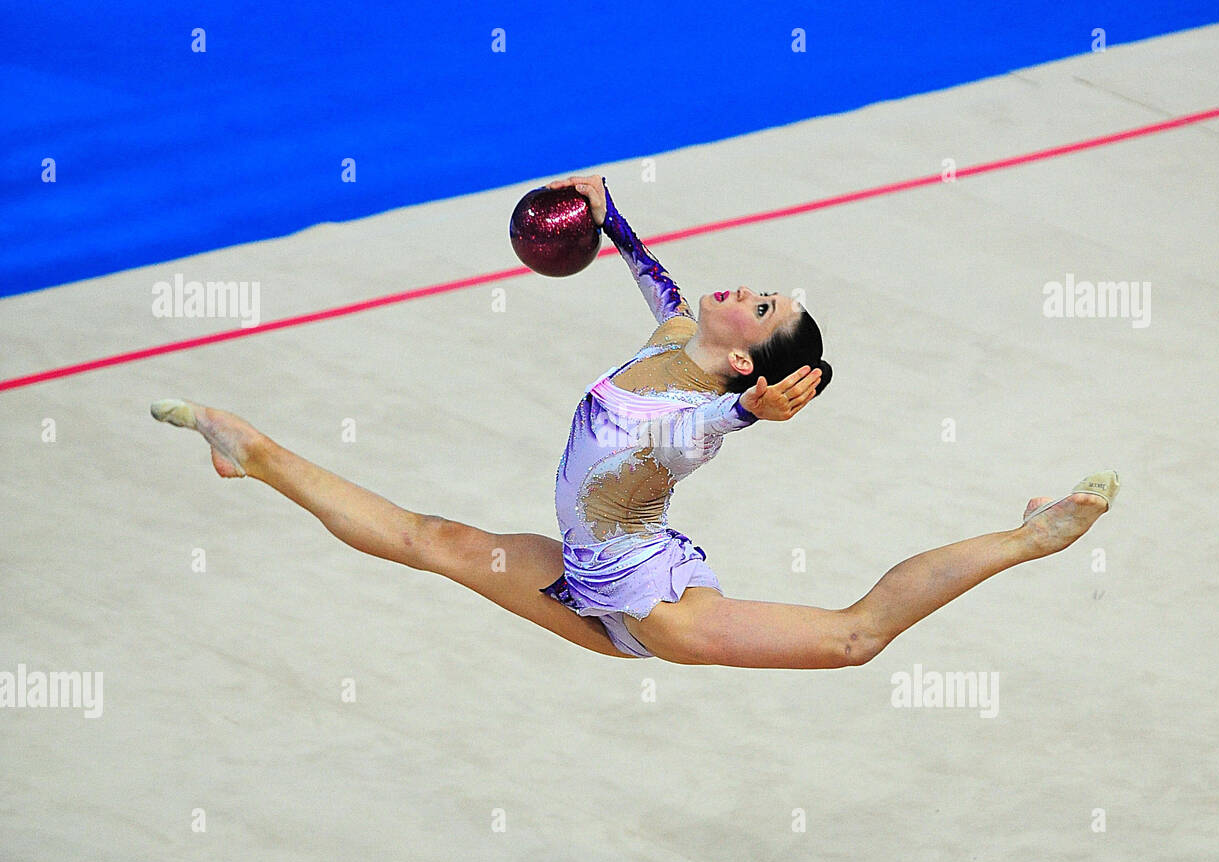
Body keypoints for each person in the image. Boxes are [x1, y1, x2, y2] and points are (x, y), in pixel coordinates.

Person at [151, 173, 1118, 668]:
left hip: (651, 605)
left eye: (765, 306)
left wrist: (748, 412)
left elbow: (684, 442)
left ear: (747, 357)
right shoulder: (675, 333)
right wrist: (611, 218)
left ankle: (1033, 536)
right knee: (429, 538)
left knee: (851, 640)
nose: (749, 287)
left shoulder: (704, 406)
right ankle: (253, 451)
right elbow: (654, 276)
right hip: (586, 575)